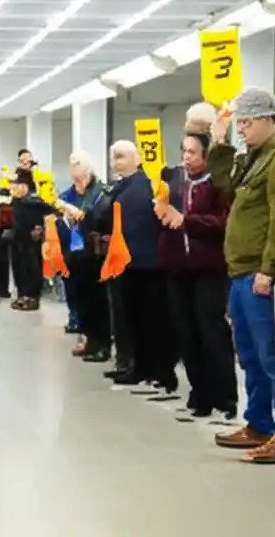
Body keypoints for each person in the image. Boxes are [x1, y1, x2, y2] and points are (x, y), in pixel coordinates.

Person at [207, 87, 275, 465]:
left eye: (246, 122)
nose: (241, 128)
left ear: (268, 119)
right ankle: (258, 423)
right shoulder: (256, 156)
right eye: (239, 122)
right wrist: (218, 141)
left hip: (259, 273)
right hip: (239, 271)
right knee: (249, 356)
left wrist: (268, 268)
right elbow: (223, 184)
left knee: (272, 357)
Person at [157, 108, 236, 421]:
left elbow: (224, 222)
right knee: (186, 332)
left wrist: (187, 221)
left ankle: (225, 398)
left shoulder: (217, 183)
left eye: (193, 152)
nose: (187, 157)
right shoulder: (174, 181)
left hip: (209, 267)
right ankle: (198, 394)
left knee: (211, 331)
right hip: (177, 267)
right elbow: (166, 219)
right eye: (184, 151)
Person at [99, 141, 172, 391]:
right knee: (128, 318)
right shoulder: (119, 187)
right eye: (113, 157)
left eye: (121, 157)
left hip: (144, 262)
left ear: (136, 158)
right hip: (124, 262)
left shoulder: (146, 185)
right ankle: (134, 365)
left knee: (147, 319)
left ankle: (149, 369)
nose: (115, 162)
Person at [56, 152, 105, 358]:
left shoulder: (99, 192)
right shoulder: (67, 194)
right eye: (71, 163)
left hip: (93, 251)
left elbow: (98, 216)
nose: (73, 167)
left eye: (78, 163)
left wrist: (79, 214)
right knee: (78, 294)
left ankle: (98, 340)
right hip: (72, 250)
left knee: (97, 298)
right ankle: (83, 334)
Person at [10, 169, 53, 311]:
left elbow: (50, 210)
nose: (13, 187)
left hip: (31, 240)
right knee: (19, 268)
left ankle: (32, 296)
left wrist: (40, 227)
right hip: (18, 238)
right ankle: (22, 294)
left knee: (32, 267)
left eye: (17, 184)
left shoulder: (34, 201)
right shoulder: (16, 202)